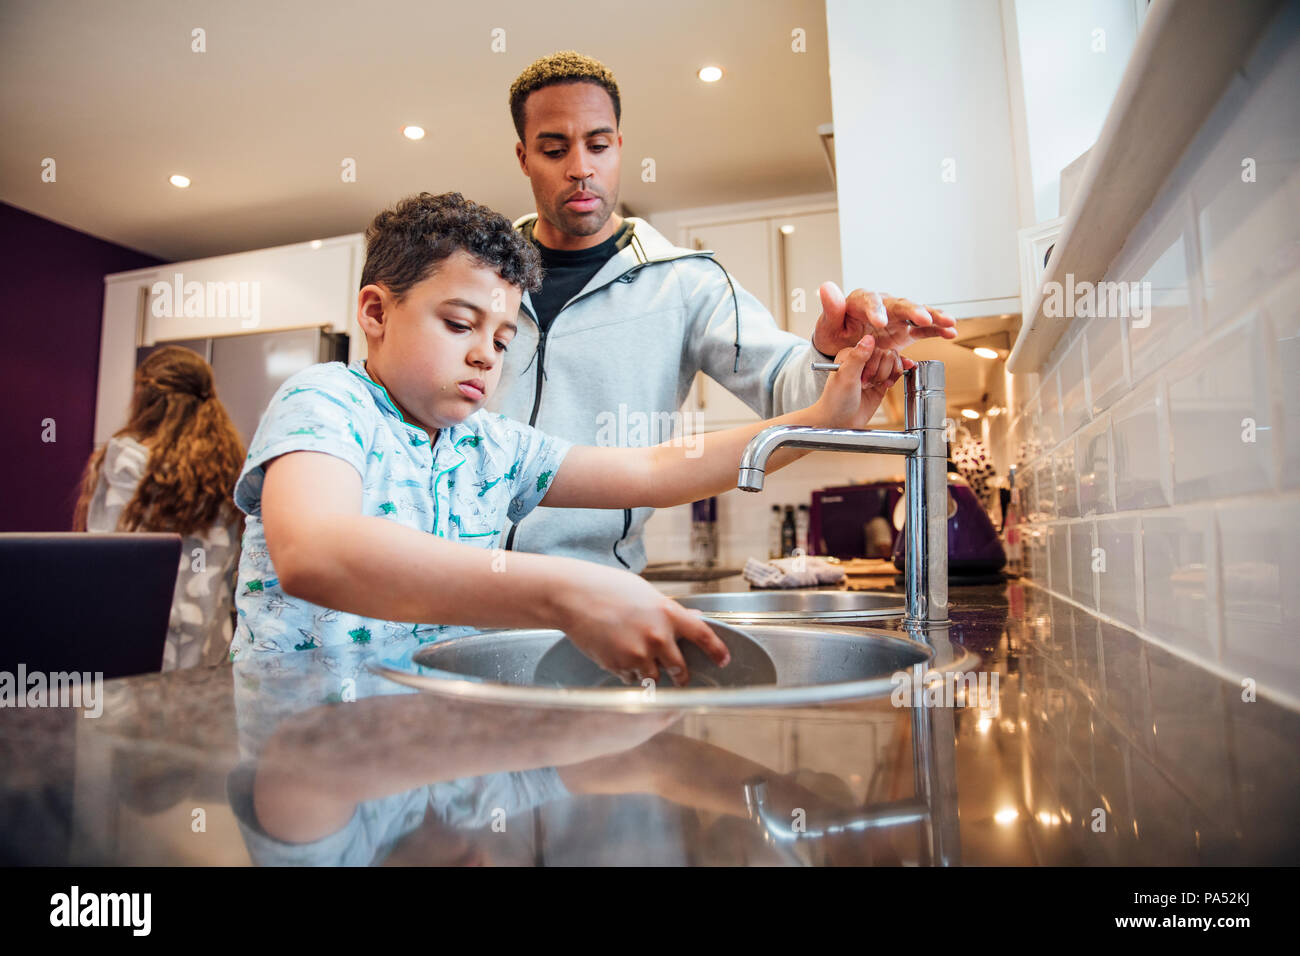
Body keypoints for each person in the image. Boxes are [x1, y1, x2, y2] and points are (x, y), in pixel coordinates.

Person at [229, 191, 904, 684]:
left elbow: (653, 472)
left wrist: (816, 420)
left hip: (431, 741)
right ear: (376, 312)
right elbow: (315, 553)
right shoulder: (326, 401)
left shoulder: (492, 444)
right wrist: (565, 591)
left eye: (501, 338)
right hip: (301, 740)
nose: (485, 357)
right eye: (459, 325)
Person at [492, 51, 959, 571]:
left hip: (595, 594)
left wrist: (834, 352)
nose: (581, 168)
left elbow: (786, 386)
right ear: (523, 156)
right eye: (554, 150)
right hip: (456, 587)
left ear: (620, 147)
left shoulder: (686, 282)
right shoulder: (481, 274)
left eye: (598, 145)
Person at [73, 346, 245, 669]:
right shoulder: (228, 468)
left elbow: (101, 560)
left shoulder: (124, 459)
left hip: (135, 649)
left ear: (145, 395)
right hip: (208, 652)